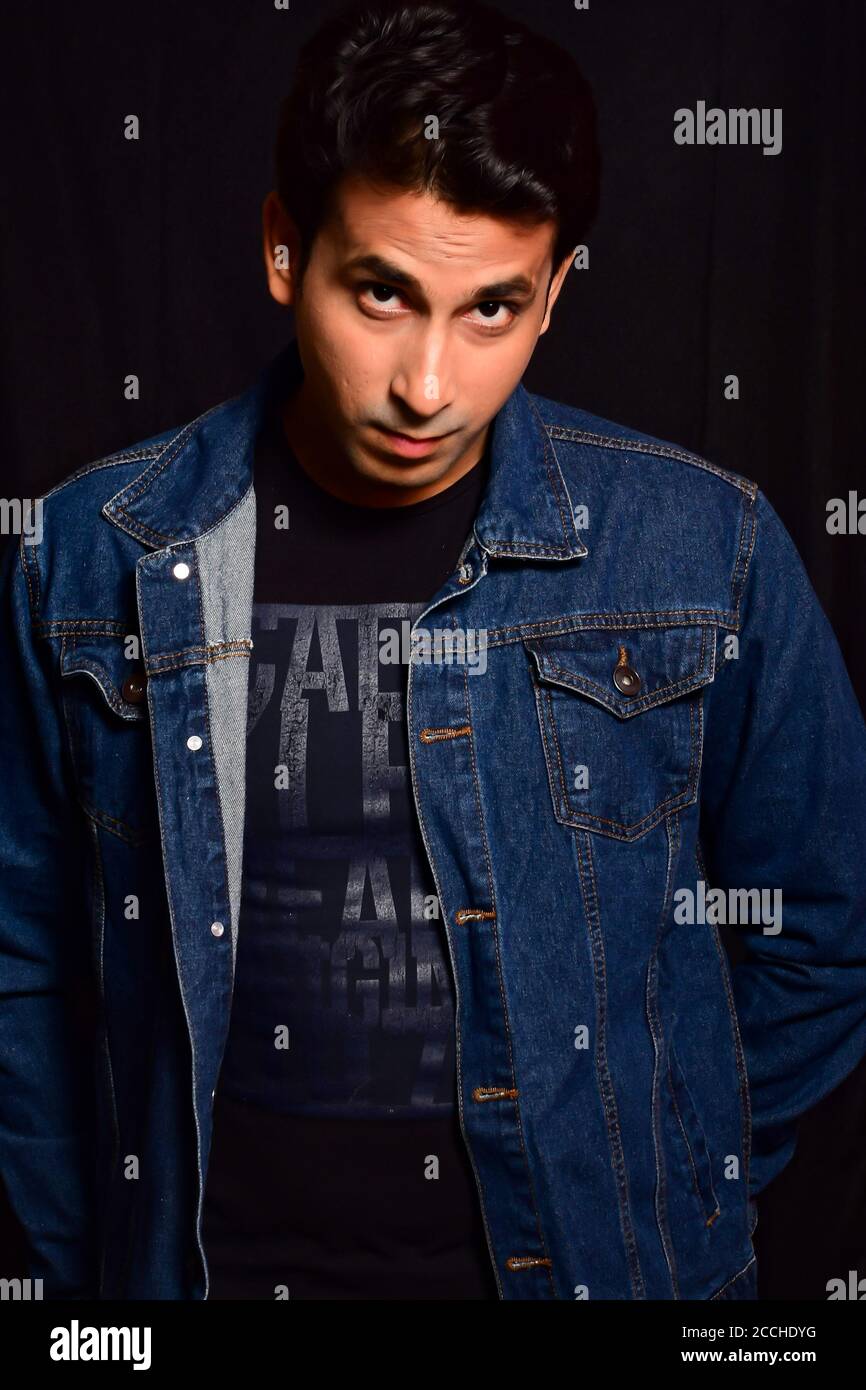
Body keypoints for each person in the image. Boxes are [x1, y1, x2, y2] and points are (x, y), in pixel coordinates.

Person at [1, 0, 865, 1303]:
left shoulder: (704, 549)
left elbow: (827, 926)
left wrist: (667, 1169)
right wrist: (84, 1266)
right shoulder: (89, 553)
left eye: (492, 310)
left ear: (557, 292)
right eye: (382, 293)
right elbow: (24, 958)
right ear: (285, 251)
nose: (425, 383)